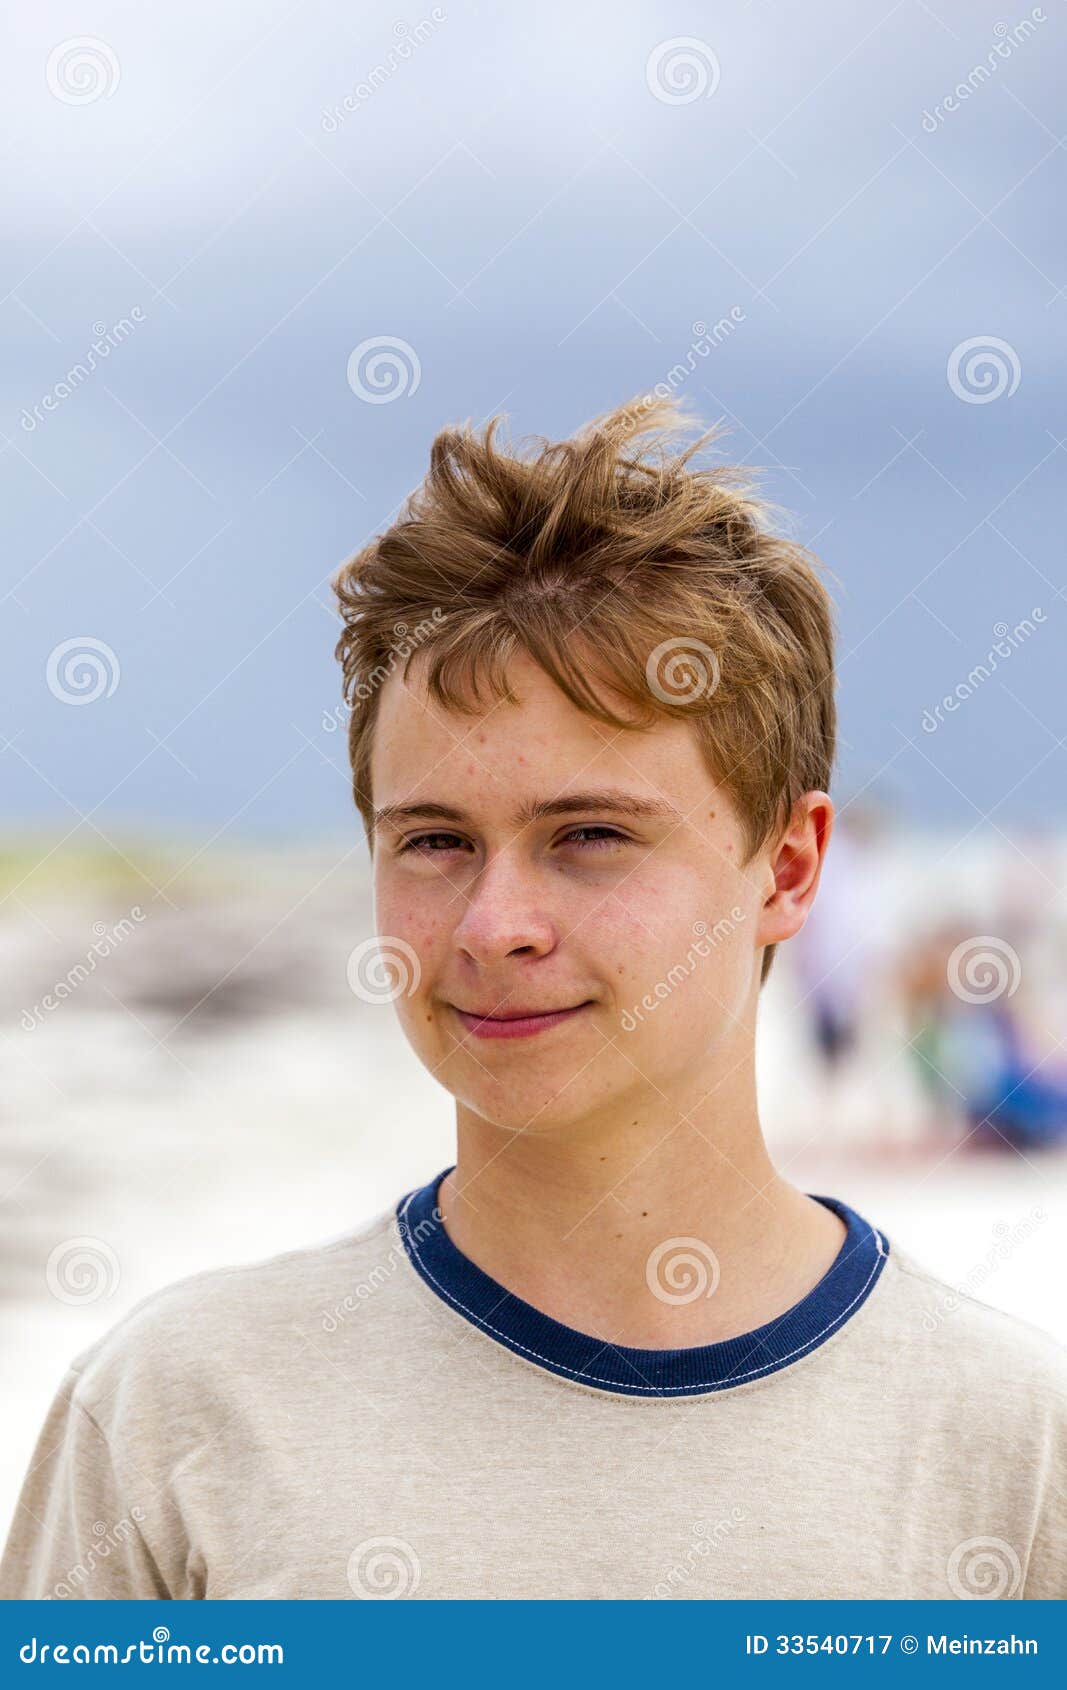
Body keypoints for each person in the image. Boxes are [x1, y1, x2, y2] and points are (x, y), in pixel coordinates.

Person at [2, 396, 1064, 1601]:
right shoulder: (170, 1423)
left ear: (787, 867)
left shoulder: (1012, 1455)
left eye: (590, 834)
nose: (493, 925)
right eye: (435, 842)